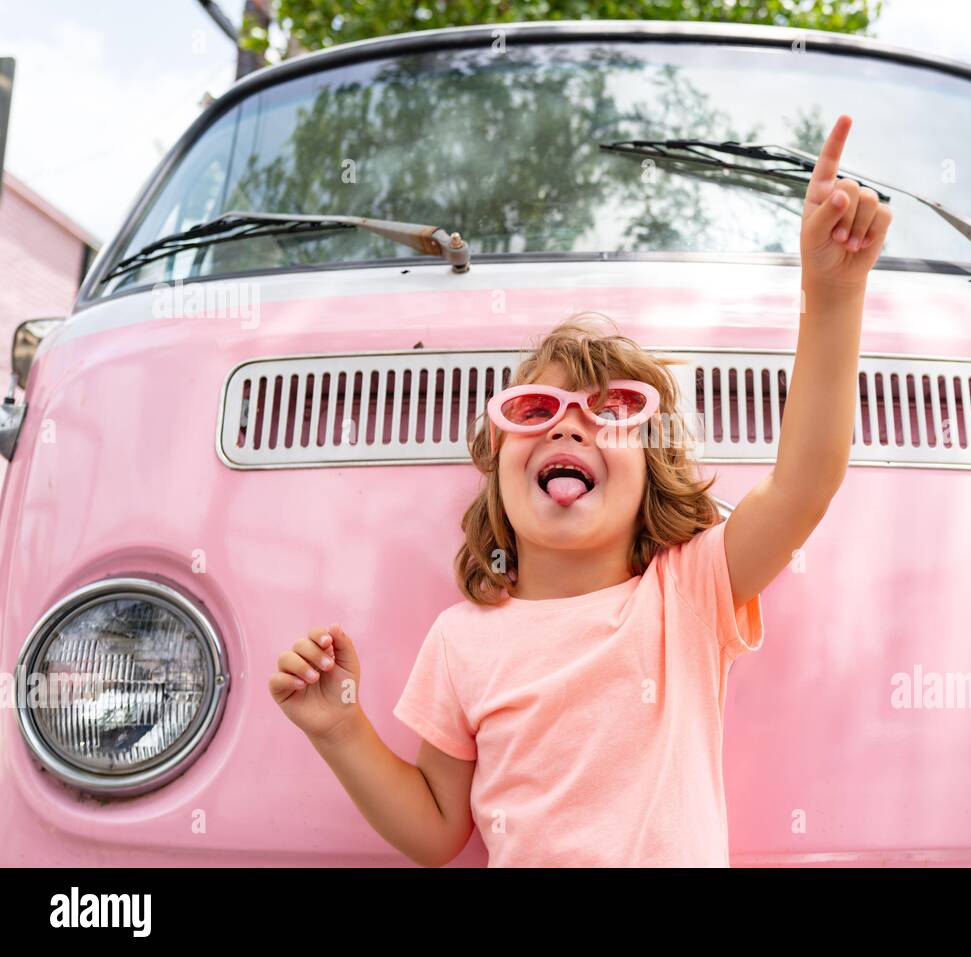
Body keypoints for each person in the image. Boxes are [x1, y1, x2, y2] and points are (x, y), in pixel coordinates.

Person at [269, 114, 892, 866]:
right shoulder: (460, 639)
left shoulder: (685, 592)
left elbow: (806, 483)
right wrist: (338, 725)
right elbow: (436, 832)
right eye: (536, 411)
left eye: (610, 411)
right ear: (499, 473)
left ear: (648, 479)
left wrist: (832, 293)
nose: (569, 427)